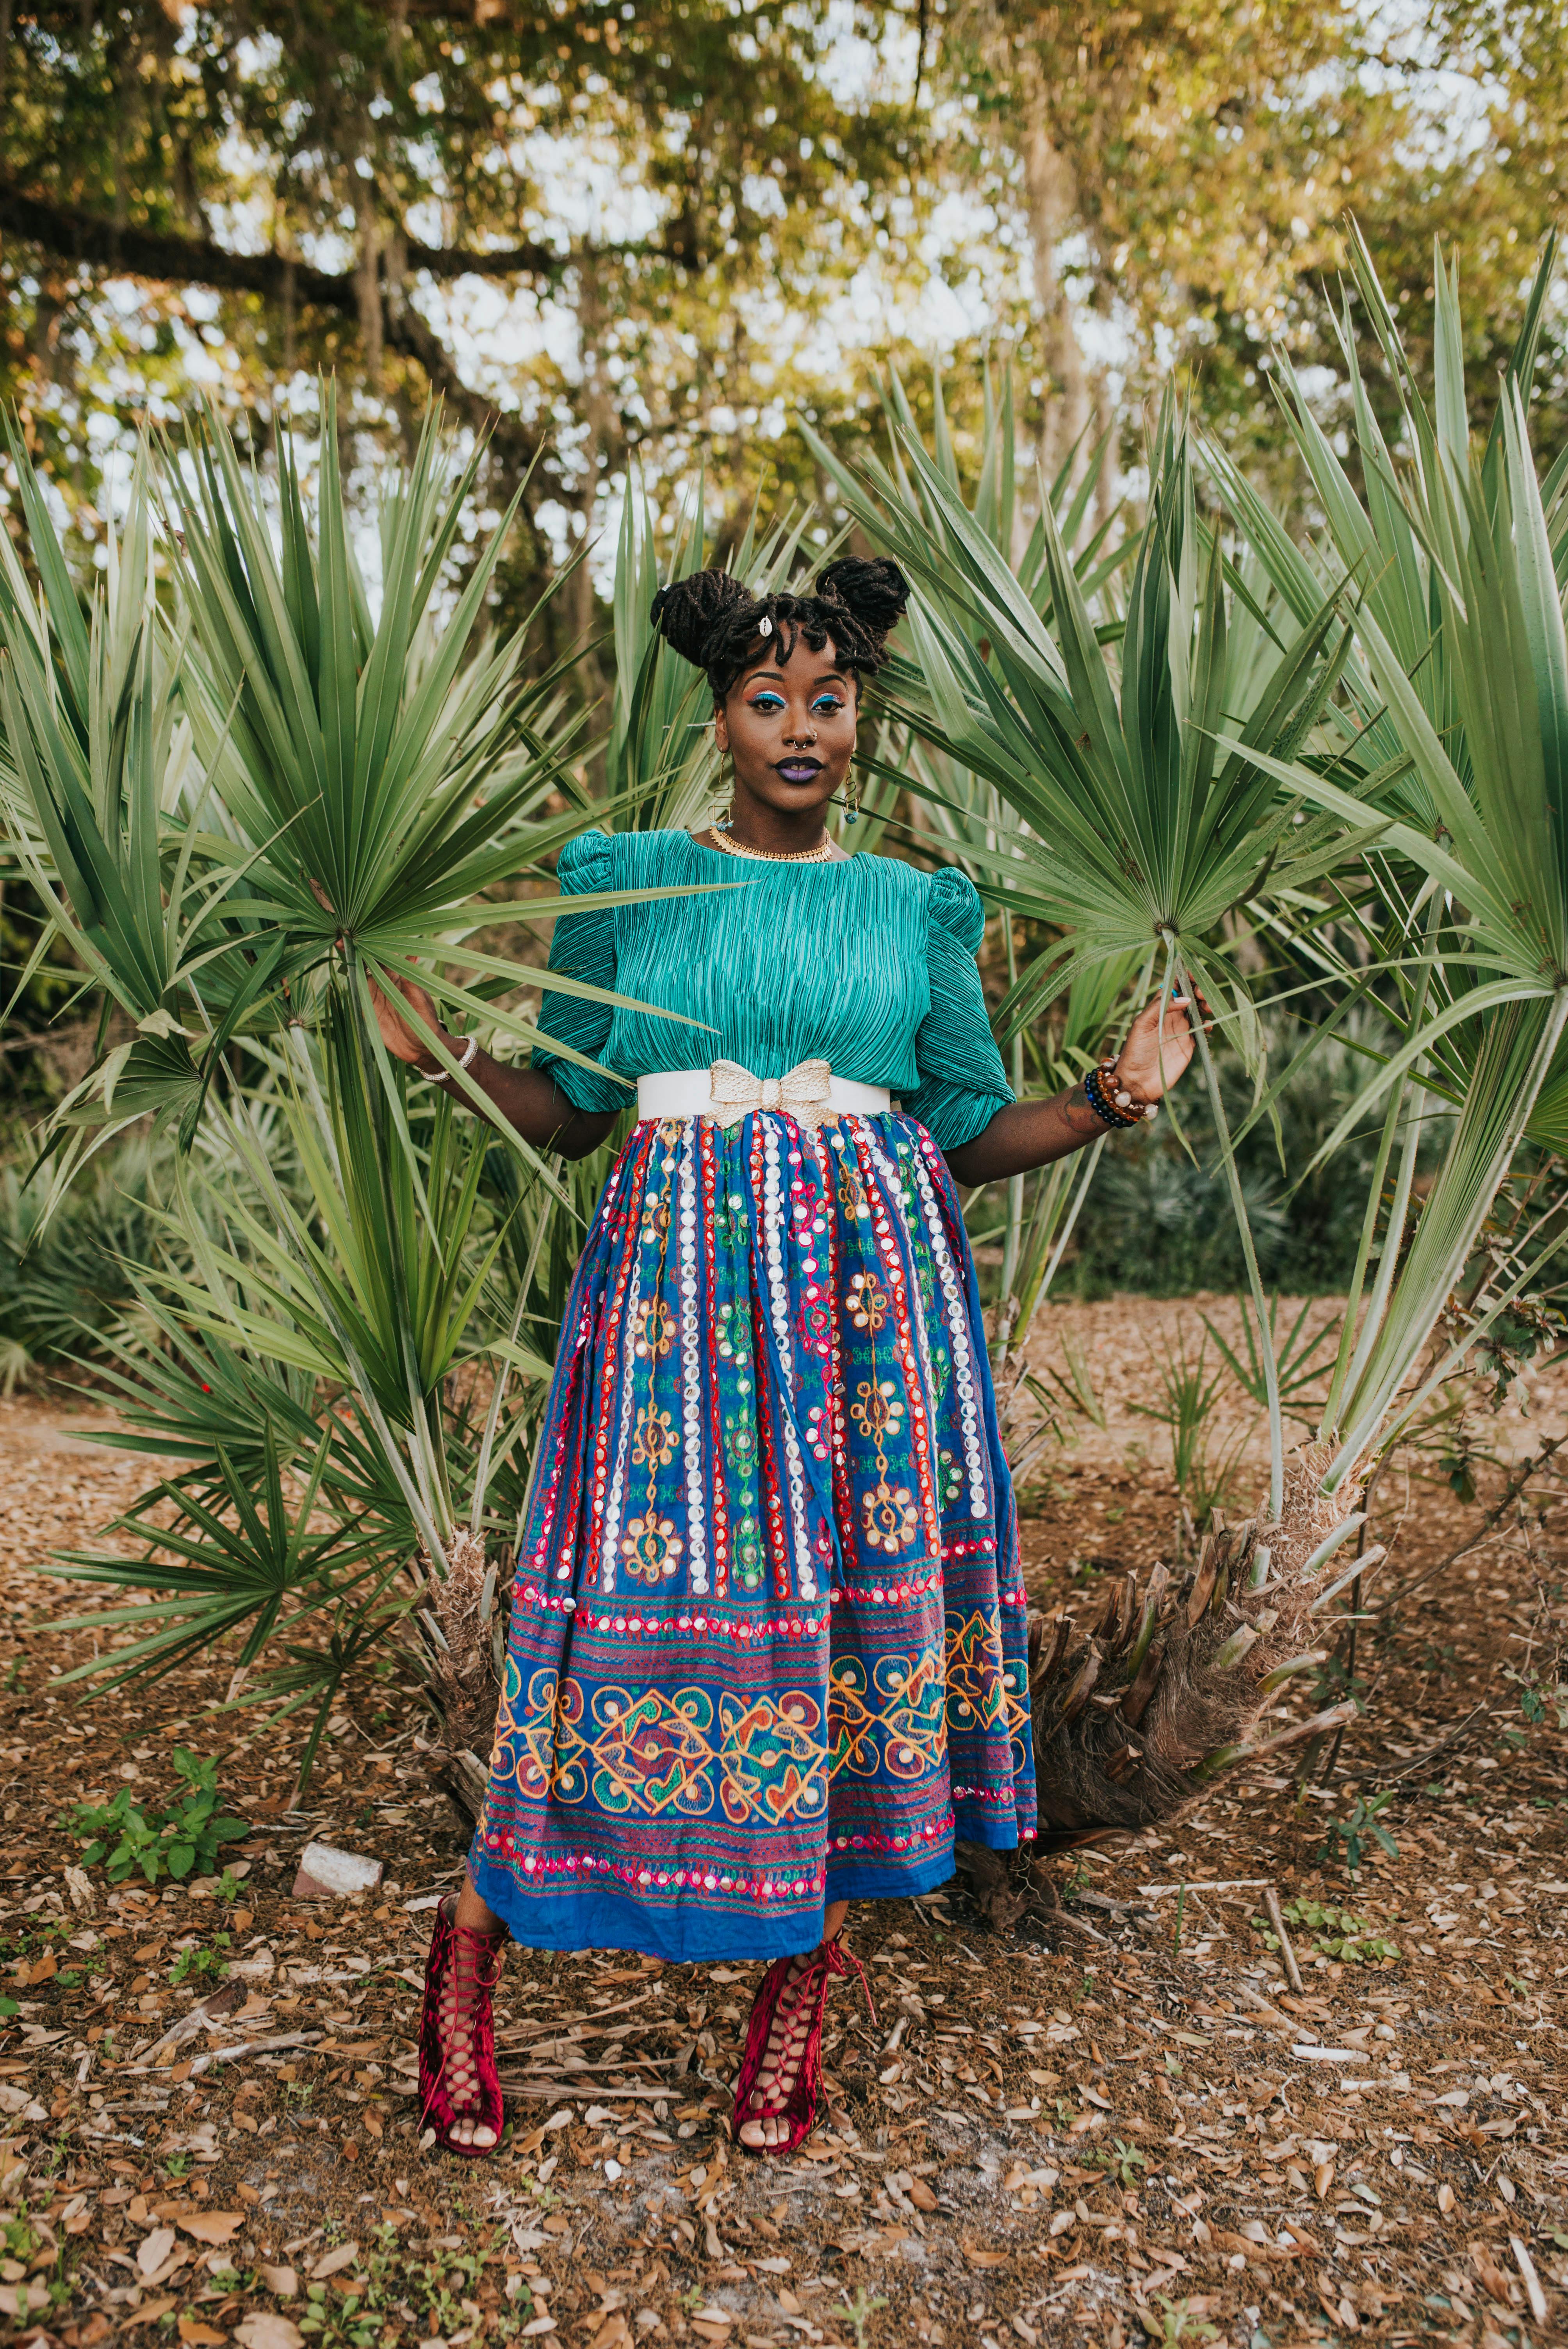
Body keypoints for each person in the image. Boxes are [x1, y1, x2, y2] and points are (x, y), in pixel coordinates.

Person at [371, 556, 1206, 2157]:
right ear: (722, 716)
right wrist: (449, 1062)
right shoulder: (622, 881)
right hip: (671, 1315)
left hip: (869, 1318)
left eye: (828, 700)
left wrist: (1106, 1098)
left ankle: (802, 1979)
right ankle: (469, 1952)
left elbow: (960, 1128)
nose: (801, 727)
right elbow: (568, 1106)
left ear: (860, 718)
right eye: (769, 700)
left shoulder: (914, 905)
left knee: (827, 1636)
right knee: (617, 1624)